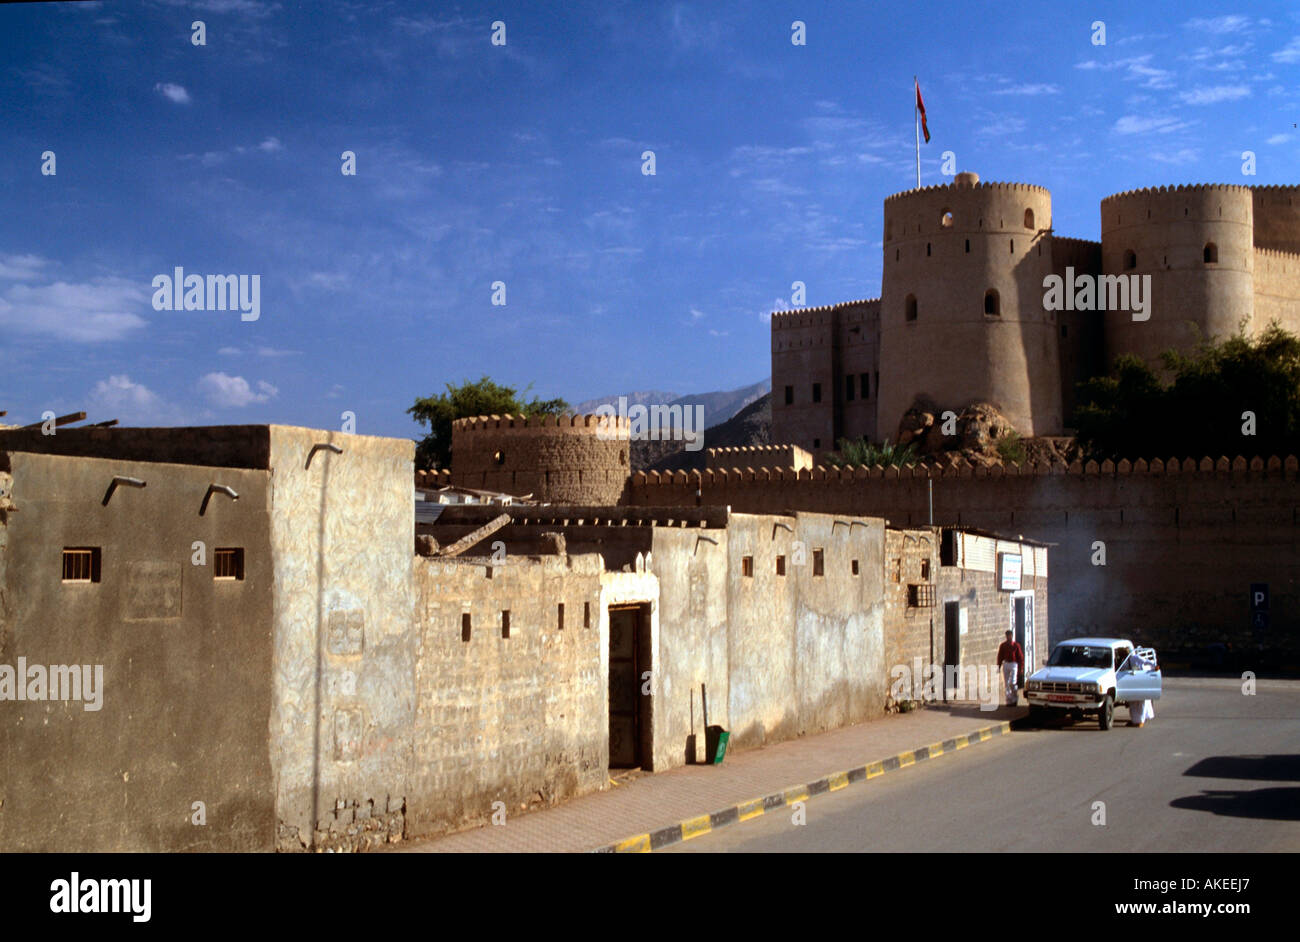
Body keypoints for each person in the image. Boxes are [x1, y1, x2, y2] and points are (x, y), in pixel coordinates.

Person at [1124, 649, 1157, 727]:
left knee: (1141, 702)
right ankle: (1135, 721)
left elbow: (1146, 661)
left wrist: (1154, 666)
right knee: (1133, 703)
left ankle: (1140, 721)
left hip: (1141, 680)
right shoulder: (1125, 662)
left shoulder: (1136, 658)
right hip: (1132, 683)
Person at [996, 630, 1025, 706]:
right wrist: (998, 666)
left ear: (1012, 636)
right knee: (1007, 683)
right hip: (1006, 664)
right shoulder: (1003, 645)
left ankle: (1015, 698)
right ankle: (1009, 700)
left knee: (1012, 682)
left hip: (1013, 664)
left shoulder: (1016, 645)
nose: (1008, 637)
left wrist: (1021, 667)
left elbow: (1020, 657)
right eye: (1007, 635)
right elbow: (1000, 656)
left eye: (1009, 635)